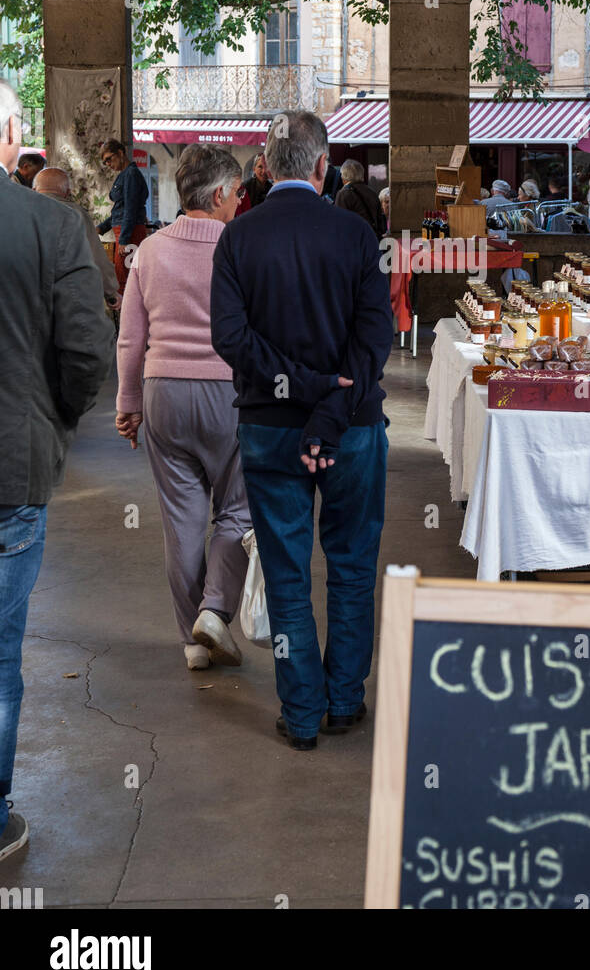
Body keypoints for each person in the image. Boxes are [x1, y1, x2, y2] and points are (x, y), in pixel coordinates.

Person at [210, 111, 393, 751]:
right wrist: (330, 405)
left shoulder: (237, 238)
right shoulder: (357, 235)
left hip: (270, 428)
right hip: (353, 428)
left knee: (287, 574)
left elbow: (231, 338)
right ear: (322, 166)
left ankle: (302, 710)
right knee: (352, 566)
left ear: (264, 167)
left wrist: (301, 389)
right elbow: (375, 339)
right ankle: (344, 699)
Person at [0, 79, 112, 864]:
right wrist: (55, 421)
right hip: (12, 469)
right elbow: (85, 351)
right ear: (10, 137)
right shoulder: (51, 226)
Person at [115, 145, 251, 672]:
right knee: (238, 509)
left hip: (163, 392)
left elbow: (131, 338)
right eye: (236, 193)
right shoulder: (243, 247)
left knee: (182, 522)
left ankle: (192, 643)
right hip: (230, 395)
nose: (239, 202)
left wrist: (128, 403)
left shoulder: (149, 251)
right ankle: (214, 611)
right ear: (218, 195)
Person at [33, 166, 120, 309]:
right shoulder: (76, 214)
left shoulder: (20, 212)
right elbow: (96, 257)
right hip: (67, 300)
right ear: (67, 193)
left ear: (34, 190)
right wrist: (110, 292)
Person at [97, 139, 149, 297]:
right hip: (125, 231)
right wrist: (102, 228)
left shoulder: (131, 174)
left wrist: (124, 239)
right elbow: (120, 210)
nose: (108, 164)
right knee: (124, 276)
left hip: (129, 232)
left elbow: (130, 208)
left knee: (125, 279)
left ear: (120, 153)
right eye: (105, 162)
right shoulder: (125, 174)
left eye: (109, 159)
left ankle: (126, 311)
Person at [335, 159, 388, 240]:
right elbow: (380, 223)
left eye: (341, 174)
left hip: (355, 241)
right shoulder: (372, 193)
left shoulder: (343, 194)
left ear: (344, 176)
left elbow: (340, 224)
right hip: (372, 240)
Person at [235, 152, 270, 216]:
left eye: (266, 167)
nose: (264, 171)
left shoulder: (272, 189)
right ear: (254, 169)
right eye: (260, 167)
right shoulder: (244, 187)